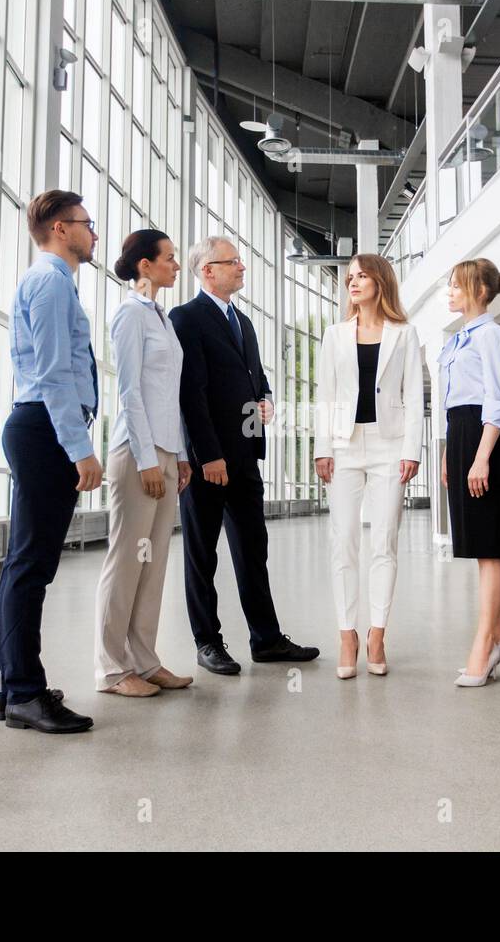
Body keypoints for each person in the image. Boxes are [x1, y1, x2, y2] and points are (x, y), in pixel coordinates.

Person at [170, 236, 319, 674]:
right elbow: (191, 394)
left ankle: (266, 639)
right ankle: (207, 641)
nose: (242, 267)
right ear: (207, 271)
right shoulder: (186, 319)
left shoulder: (244, 322)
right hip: (209, 461)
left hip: (245, 456)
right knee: (202, 554)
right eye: (232, 261)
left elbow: (254, 378)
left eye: (241, 260)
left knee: (253, 549)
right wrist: (207, 455)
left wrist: (266, 398)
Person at [0, 189, 102, 734]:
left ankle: (10, 683)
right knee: (32, 565)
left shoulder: (48, 282)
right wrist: (79, 448)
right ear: (61, 228)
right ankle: (25, 693)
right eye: (87, 223)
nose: (94, 233)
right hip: (46, 428)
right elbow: (56, 374)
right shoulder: (53, 283)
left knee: (22, 562)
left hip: (38, 425)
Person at [93, 230, 195, 697]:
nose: (176, 266)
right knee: (127, 562)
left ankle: (145, 660)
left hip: (167, 453)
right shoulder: (130, 315)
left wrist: (181, 454)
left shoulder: (163, 318)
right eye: (169, 259)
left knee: (152, 564)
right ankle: (113, 669)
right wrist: (148, 458)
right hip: (139, 456)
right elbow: (129, 392)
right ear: (144, 266)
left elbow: (169, 394)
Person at [314, 254, 423, 678]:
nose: (353, 283)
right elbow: (325, 394)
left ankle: (377, 633)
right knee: (343, 541)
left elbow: (413, 396)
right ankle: (347, 635)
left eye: (361, 276)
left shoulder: (405, 334)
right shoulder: (334, 335)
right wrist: (322, 447)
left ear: (380, 281)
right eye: (349, 278)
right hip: (343, 446)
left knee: (384, 542)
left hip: (389, 445)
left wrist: (411, 450)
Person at [438, 259, 500, 688]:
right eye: (449, 287)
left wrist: (481, 457)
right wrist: (449, 454)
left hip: (484, 441)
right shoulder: (455, 341)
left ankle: (484, 645)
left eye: (457, 286)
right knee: (476, 547)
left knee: (489, 549)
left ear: (481, 291)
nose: (450, 293)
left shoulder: (492, 337)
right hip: (462, 438)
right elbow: (452, 406)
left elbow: (498, 401)